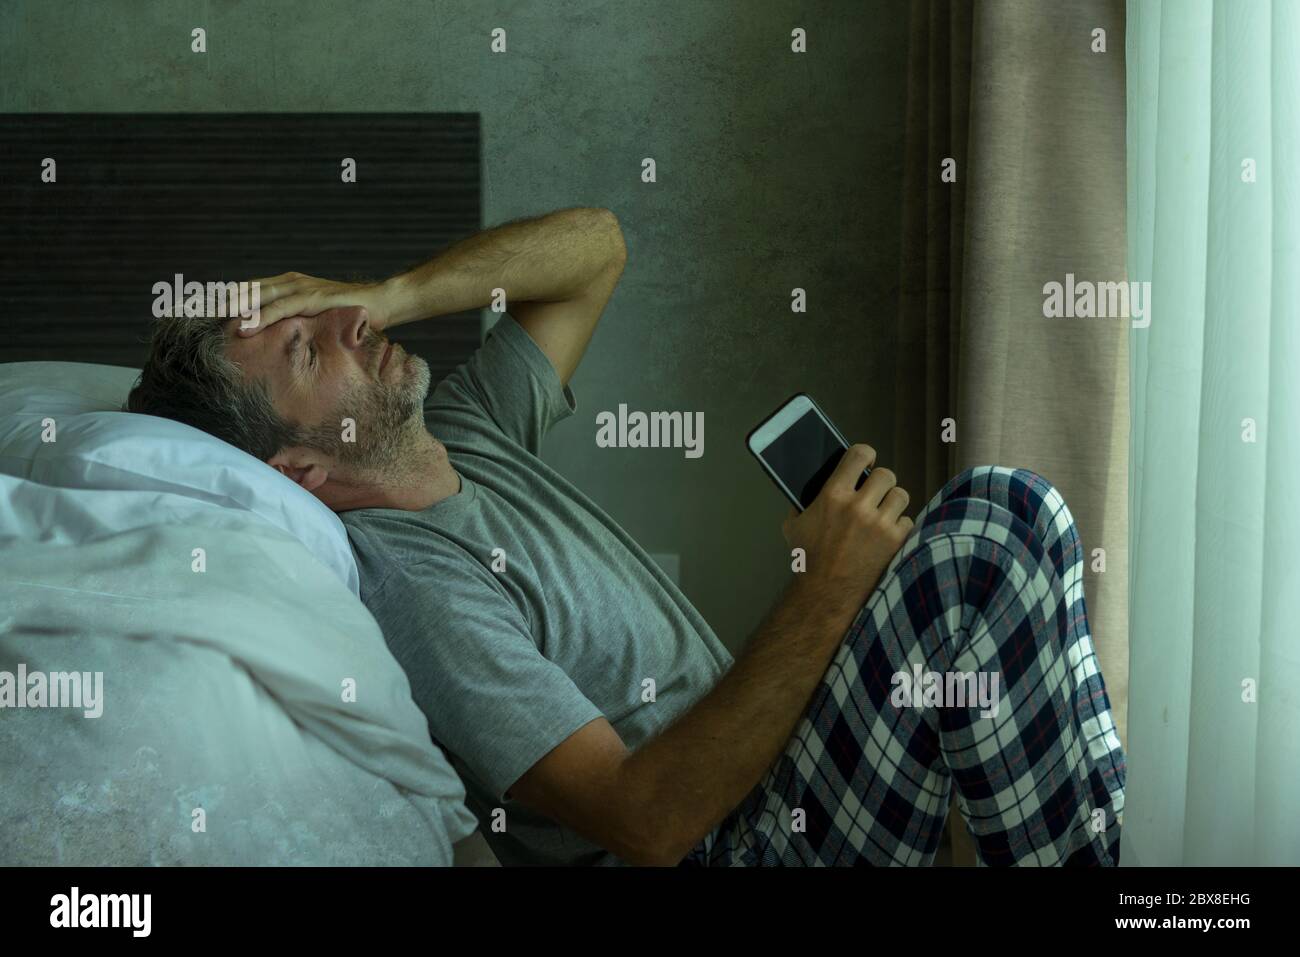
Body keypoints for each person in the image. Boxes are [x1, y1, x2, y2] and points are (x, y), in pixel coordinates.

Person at [127, 206, 1126, 866]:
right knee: (983, 535)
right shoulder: (417, 587)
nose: (345, 323)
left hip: (784, 784)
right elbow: (644, 822)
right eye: (307, 347)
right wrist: (829, 586)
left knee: (1016, 517)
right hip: (740, 850)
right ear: (299, 469)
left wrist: (390, 295)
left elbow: (594, 247)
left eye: (325, 310)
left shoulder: (468, 429)